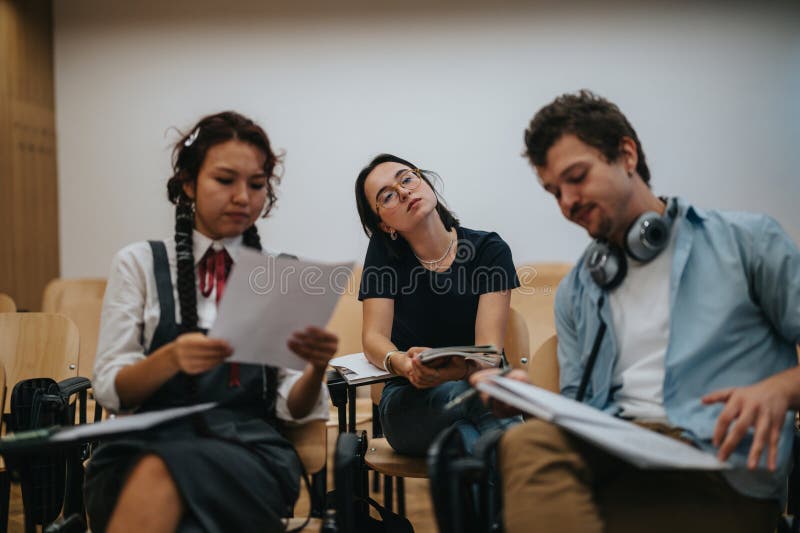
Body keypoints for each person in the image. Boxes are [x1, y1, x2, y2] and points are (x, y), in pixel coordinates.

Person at [473, 90, 800, 533]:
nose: (567, 201)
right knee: (525, 440)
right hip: (615, 456)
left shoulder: (747, 242)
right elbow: (577, 411)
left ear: (626, 155)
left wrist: (780, 388)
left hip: (717, 468)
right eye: (554, 191)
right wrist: (523, 398)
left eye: (577, 177)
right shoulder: (578, 290)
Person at [86, 111, 337, 533]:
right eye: (225, 180)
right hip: (141, 443)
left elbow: (292, 407)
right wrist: (168, 359)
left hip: (249, 450)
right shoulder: (139, 263)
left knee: (159, 474)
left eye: (257, 185)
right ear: (188, 182)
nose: (243, 197)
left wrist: (316, 370)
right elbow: (112, 390)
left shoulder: (281, 273)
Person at [355, 153, 520, 456]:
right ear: (384, 224)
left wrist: (452, 371)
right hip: (410, 400)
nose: (404, 192)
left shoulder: (489, 251)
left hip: (478, 381)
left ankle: (500, 494)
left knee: (468, 440)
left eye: (407, 178)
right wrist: (403, 364)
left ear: (425, 182)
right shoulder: (383, 254)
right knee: (484, 399)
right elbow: (373, 339)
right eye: (388, 196)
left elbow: (488, 355)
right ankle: (529, 482)